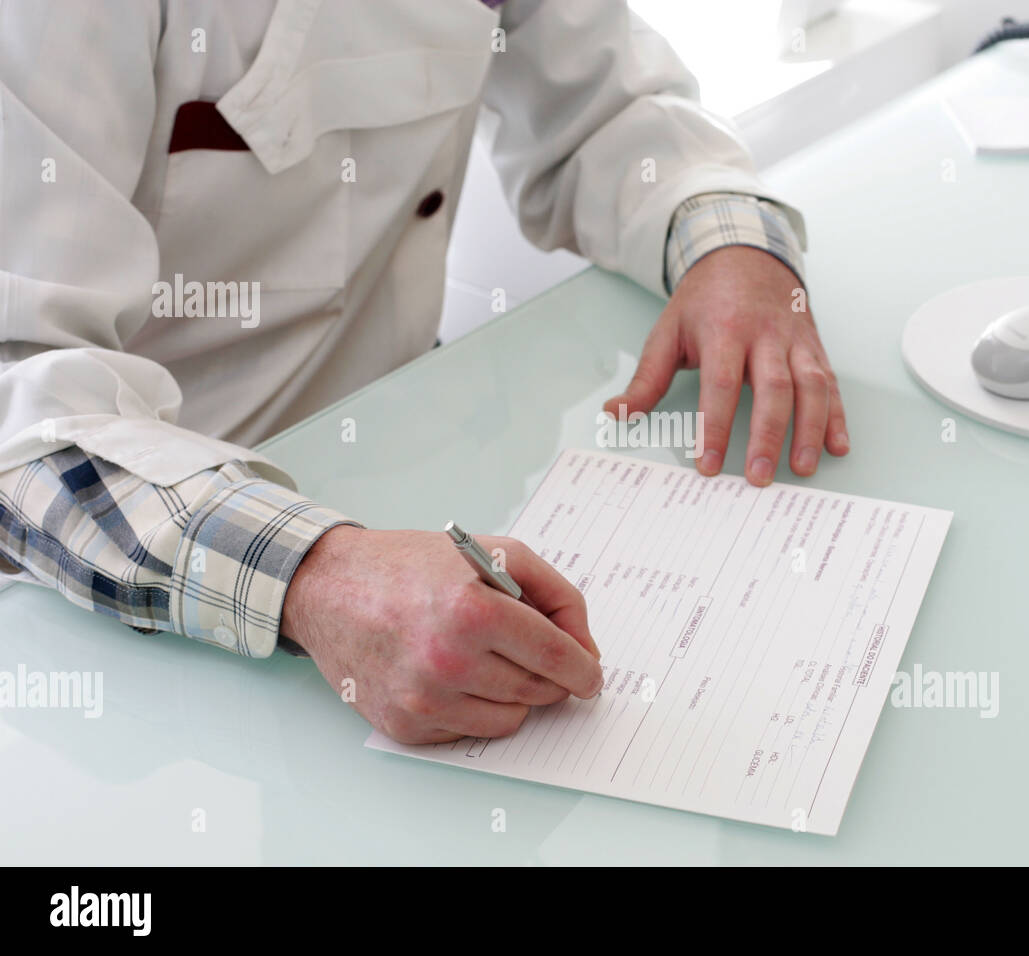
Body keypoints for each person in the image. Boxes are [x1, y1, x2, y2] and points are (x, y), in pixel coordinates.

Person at [0, 0, 850, 744]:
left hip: (405, 490)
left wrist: (729, 242)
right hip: (133, 579)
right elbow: (24, 410)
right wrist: (311, 573)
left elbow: (605, 109)